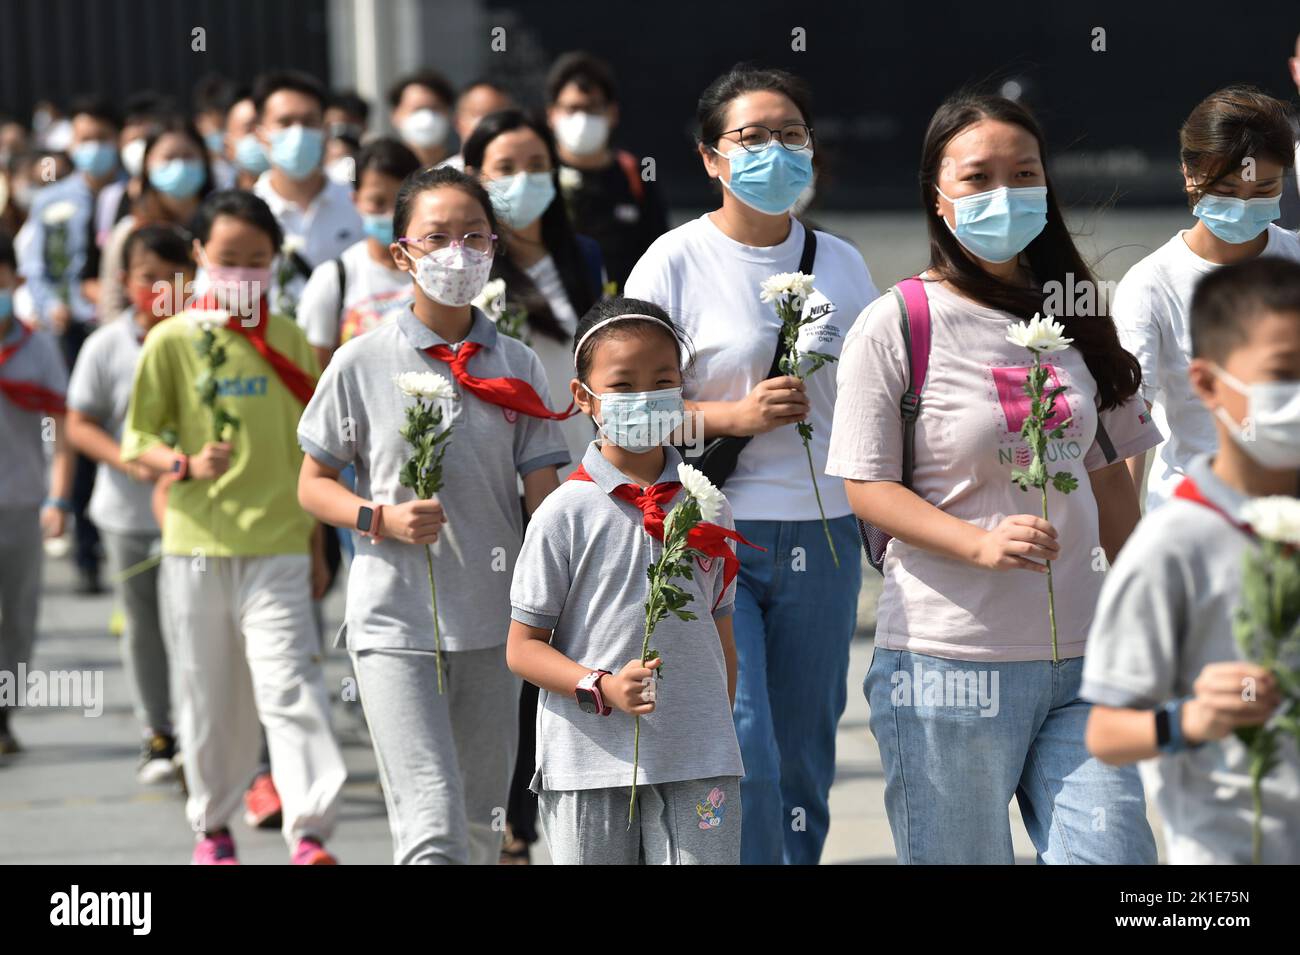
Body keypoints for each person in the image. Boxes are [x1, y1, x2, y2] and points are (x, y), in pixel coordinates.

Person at [828, 91, 1161, 864]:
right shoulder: (897, 322)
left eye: (1024, 174)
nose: (1004, 194)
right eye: (978, 177)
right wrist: (977, 543)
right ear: (937, 198)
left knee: (1116, 856)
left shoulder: (1081, 317)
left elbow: (1111, 479)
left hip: (1086, 661)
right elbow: (866, 486)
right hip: (949, 664)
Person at [623, 64, 876, 864]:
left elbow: (878, 400)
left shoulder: (842, 263)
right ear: (709, 157)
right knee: (744, 743)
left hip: (826, 532)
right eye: (752, 136)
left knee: (803, 751)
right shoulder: (672, 262)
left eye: (791, 135)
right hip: (712, 530)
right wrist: (731, 415)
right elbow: (624, 414)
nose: (775, 150)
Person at [297, 165, 570, 863]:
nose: (458, 252)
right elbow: (313, 482)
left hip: (493, 624)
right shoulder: (361, 362)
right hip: (394, 624)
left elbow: (545, 495)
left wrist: (564, 598)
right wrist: (375, 519)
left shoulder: (515, 364)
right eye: (437, 236)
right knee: (431, 826)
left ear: (494, 248)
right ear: (401, 254)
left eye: (474, 236)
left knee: (482, 828)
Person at [120, 189, 345, 865]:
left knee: (291, 687)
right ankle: (213, 826)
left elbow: (316, 453)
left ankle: (308, 832)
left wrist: (315, 542)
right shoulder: (171, 339)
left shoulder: (291, 342)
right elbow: (138, 442)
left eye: (257, 258)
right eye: (228, 258)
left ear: (276, 260)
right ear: (197, 256)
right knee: (209, 693)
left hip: (277, 543)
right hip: (195, 547)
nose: (244, 270)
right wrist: (184, 462)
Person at [508, 297, 745, 864]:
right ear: (583, 397)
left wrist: (714, 729)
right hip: (588, 763)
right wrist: (601, 685)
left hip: (699, 761)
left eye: (662, 380)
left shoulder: (708, 505)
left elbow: (722, 638)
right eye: (623, 384)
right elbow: (523, 649)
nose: (643, 396)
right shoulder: (564, 512)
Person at [1084, 256, 1300, 864]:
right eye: (1283, 375)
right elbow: (1106, 732)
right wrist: (1193, 719)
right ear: (1206, 384)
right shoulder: (1174, 544)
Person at [1115, 86, 1300, 513]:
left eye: (1263, 188)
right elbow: (1129, 427)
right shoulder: (1150, 284)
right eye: (1227, 190)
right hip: (1196, 515)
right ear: (1189, 174)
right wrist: (1121, 546)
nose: (1244, 204)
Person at [66, 224, 194, 782]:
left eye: (175, 277)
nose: (162, 288)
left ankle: (200, 729)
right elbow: (79, 423)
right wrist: (130, 461)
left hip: (195, 516)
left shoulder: (203, 339)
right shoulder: (105, 346)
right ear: (125, 281)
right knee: (144, 625)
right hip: (126, 514)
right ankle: (158, 730)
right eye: (149, 278)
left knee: (191, 622)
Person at [18, 94, 125, 595]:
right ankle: (87, 550)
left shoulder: (129, 198)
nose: (94, 149)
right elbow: (36, 267)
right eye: (84, 140)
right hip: (70, 329)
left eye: (102, 139)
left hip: (122, 329)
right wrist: (48, 305)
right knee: (76, 431)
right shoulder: (52, 199)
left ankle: (125, 538)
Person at [462, 109, 602, 467]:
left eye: (537, 165)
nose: (523, 180)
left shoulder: (583, 256)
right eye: (506, 168)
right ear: (473, 177)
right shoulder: (465, 265)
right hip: (497, 471)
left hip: (575, 464)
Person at [0, 233, 73, 755]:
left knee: (19, 620)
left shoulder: (38, 346)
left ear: (16, 281)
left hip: (23, 504)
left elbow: (62, 425)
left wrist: (58, 497)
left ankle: (4, 715)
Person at [545, 52, 669, 290]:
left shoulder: (637, 175)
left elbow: (658, 251)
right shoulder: (539, 177)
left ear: (612, 113)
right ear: (551, 114)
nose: (582, 118)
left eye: (592, 108)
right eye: (572, 108)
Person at [296, 137, 419, 370]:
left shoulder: (439, 270)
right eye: (378, 202)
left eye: (403, 201)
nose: (392, 213)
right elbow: (314, 370)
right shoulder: (334, 277)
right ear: (356, 200)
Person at [251, 71, 364, 320]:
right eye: (285, 122)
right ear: (261, 133)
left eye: (308, 121)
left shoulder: (358, 204)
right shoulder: (246, 212)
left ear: (325, 130)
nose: (298, 133)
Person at [97, 117, 213, 321]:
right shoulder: (130, 231)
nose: (180, 166)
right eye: (169, 158)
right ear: (147, 165)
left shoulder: (219, 227)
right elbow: (112, 303)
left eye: (188, 156)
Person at [442, 79, 514, 171]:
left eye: (500, 114)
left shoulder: (523, 173)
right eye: (481, 113)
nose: (493, 123)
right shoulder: (441, 178)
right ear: (458, 122)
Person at [388, 69, 456, 169]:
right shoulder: (384, 170)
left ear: (449, 113)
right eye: (417, 109)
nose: (427, 119)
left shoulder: (463, 169)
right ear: (395, 115)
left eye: (435, 108)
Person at [223, 93, 269, 191]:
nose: (259, 134)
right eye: (249, 129)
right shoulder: (218, 203)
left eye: (263, 126)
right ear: (228, 146)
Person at [324, 90, 370, 185]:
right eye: (330, 125)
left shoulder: (372, 163)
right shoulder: (312, 165)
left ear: (363, 125)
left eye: (344, 124)